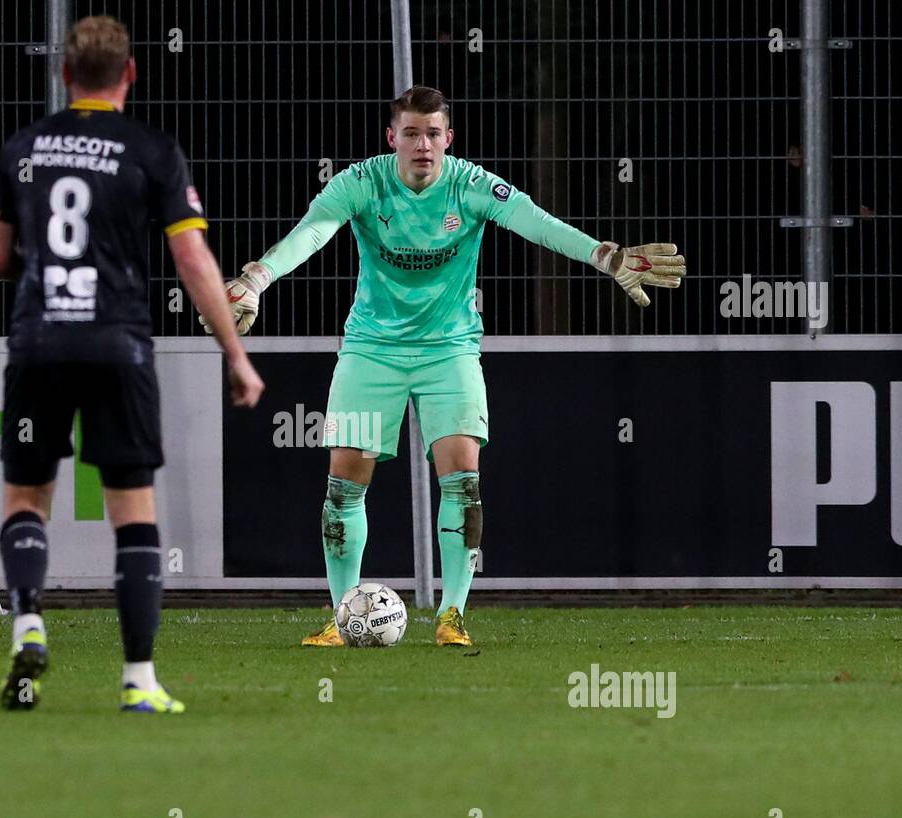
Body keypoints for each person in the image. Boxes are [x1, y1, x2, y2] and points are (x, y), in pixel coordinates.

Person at [215, 86, 685, 647]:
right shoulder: (361, 184)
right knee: (344, 487)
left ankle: (451, 615)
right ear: (392, 138)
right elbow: (311, 232)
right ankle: (343, 616)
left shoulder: (472, 185)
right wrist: (255, 279)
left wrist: (604, 256)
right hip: (372, 352)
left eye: (432, 133)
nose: (422, 144)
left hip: (449, 351)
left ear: (448, 138)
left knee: (463, 481)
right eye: (410, 133)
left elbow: (537, 222)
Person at [0, 16, 263, 713]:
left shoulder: (22, 148)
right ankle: (139, 681)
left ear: (64, 75)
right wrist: (235, 353)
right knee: (131, 511)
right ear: (130, 73)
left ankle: (28, 625)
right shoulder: (150, 150)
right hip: (118, 345)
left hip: (39, 344)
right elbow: (192, 259)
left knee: (26, 498)